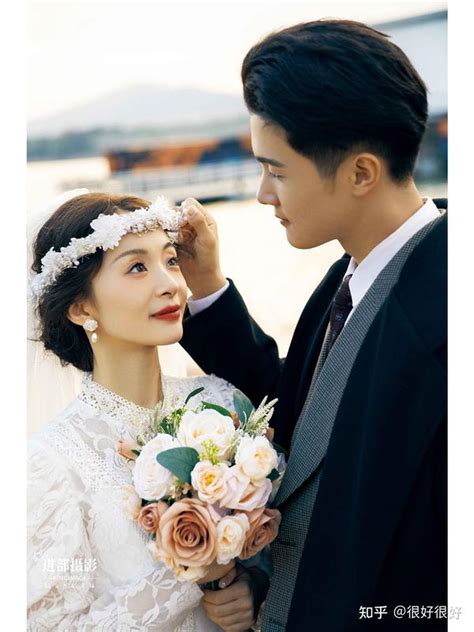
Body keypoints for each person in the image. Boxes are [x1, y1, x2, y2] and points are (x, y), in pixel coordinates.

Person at [178, 19, 447, 632]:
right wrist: (208, 290)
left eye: (276, 170)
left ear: (360, 173)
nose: (262, 194)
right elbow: (310, 425)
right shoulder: (345, 278)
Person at [27, 192, 261, 631]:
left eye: (171, 260)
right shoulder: (52, 462)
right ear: (80, 308)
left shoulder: (224, 405)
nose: (171, 284)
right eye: (137, 267)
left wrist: (254, 589)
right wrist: (188, 574)